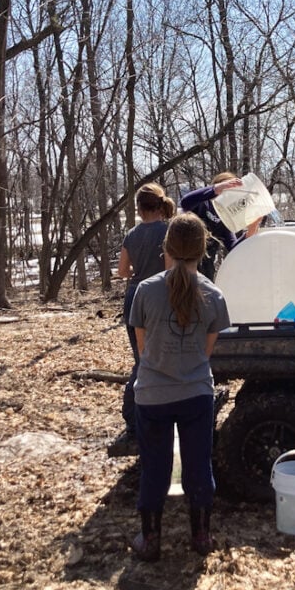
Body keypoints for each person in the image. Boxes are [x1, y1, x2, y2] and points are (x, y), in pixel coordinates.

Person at [127, 212, 231, 561]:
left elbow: (143, 349)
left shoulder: (145, 289)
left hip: (153, 395)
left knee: (154, 466)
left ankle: (150, 539)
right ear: (203, 249)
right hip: (196, 394)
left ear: (166, 247)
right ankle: (201, 536)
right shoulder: (214, 294)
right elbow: (206, 350)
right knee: (199, 465)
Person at [108, 183, 176, 458]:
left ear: (138, 208)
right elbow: (171, 270)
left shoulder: (131, 235)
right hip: (159, 297)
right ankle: (158, 415)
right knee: (163, 357)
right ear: (160, 206)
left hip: (134, 297)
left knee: (141, 359)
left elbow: (122, 271)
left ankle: (134, 419)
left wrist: (139, 268)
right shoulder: (169, 231)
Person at [179, 172, 262, 280]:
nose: (228, 194)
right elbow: (185, 202)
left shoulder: (225, 216)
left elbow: (233, 248)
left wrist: (252, 228)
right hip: (183, 269)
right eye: (227, 188)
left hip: (205, 274)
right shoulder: (202, 203)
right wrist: (215, 189)